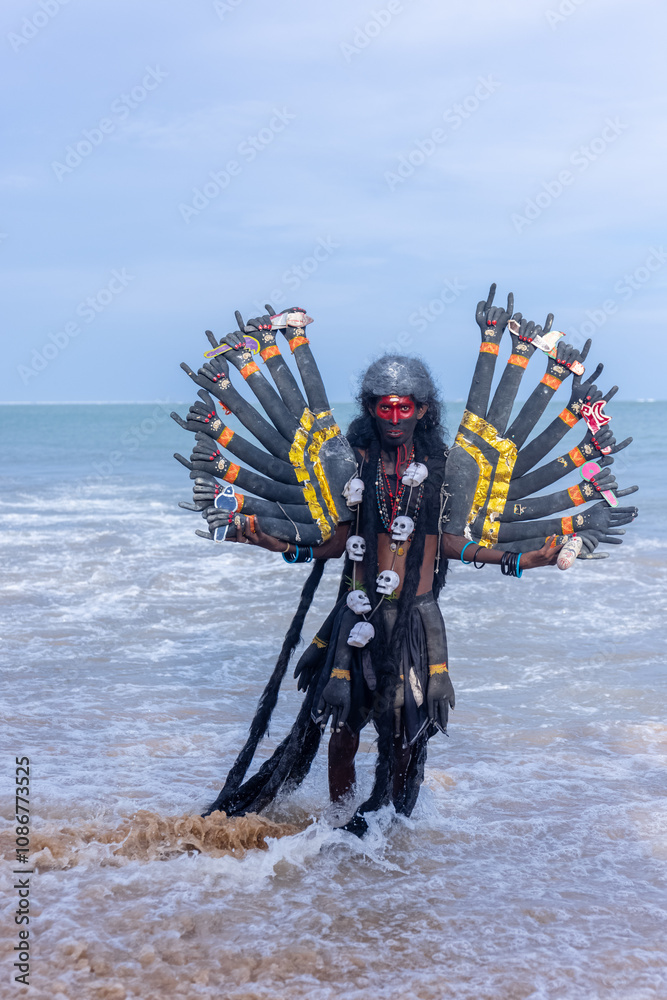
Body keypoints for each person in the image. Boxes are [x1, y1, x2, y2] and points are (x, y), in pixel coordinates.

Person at [173, 288, 638, 834]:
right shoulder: (351, 465)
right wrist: (271, 540)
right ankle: (341, 829)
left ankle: (394, 837)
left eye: (406, 406)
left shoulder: (444, 471)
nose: (395, 415)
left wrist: (525, 559)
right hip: (355, 617)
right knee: (343, 733)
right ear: (370, 409)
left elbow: (451, 543)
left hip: (417, 620)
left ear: (422, 410)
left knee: (405, 736)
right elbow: (333, 540)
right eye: (384, 405)